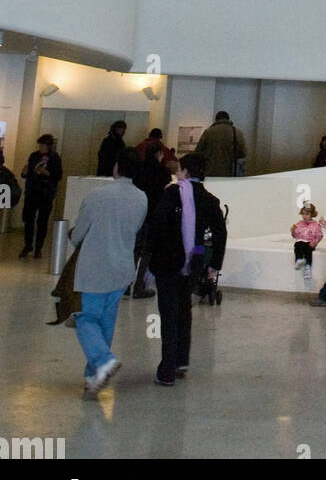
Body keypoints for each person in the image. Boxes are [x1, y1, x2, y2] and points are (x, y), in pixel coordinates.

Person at [145, 152, 227, 386]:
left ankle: (167, 369)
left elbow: (157, 226)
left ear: (186, 172)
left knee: (168, 314)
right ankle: (181, 360)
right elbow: (220, 232)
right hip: (194, 263)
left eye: (179, 169)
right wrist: (214, 265)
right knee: (183, 310)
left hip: (168, 262)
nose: (176, 173)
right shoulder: (209, 199)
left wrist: (147, 260)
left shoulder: (171, 194)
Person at [69, 149, 148, 393]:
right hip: (122, 266)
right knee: (106, 321)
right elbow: (134, 229)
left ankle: (103, 361)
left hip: (94, 266)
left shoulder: (97, 194)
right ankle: (93, 377)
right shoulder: (141, 198)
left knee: (85, 317)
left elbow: (79, 233)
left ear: (116, 167)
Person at [131, 143, 171, 298]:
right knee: (147, 253)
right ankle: (139, 286)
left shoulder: (138, 170)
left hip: (137, 215)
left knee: (134, 250)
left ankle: (126, 284)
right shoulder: (163, 172)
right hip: (153, 216)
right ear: (159, 154)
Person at [19, 133, 62, 259]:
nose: (41, 148)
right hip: (32, 191)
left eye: (43, 145)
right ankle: (28, 245)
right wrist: (24, 173)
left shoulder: (54, 158)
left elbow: (58, 175)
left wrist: (47, 173)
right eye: (40, 145)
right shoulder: (34, 155)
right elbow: (27, 172)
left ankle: (38, 247)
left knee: (42, 221)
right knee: (28, 219)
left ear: (49, 146)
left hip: (46, 193)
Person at [196, 111, 247, 177]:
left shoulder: (208, 132)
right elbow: (243, 153)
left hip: (210, 172)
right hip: (230, 172)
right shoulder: (237, 132)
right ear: (228, 119)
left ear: (216, 119)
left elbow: (198, 152)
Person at [291, 202, 323, 272]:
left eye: (307, 214)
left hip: (310, 243)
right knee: (297, 246)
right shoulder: (299, 223)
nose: (304, 216)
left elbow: (319, 235)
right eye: (303, 214)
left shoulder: (316, 224)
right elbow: (295, 235)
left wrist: (315, 242)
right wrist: (293, 231)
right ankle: (298, 260)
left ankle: (308, 266)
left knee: (308, 250)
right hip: (301, 242)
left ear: (312, 214)